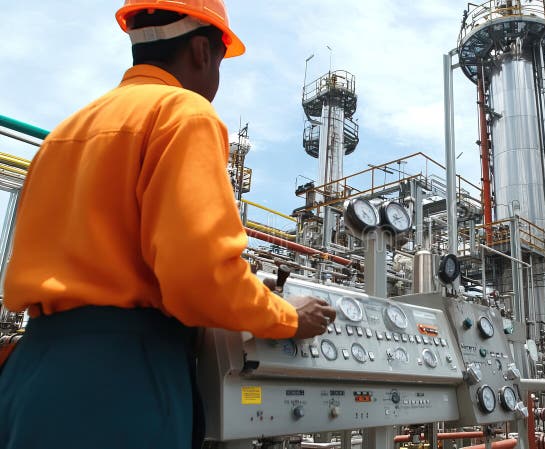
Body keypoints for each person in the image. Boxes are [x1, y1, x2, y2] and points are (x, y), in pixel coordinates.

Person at [0, 1, 336, 448]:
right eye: (220, 61)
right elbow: (200, 277)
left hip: (30, 373)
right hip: (123, 380)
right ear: (202, 51)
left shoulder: (65, 133)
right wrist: (287, 316)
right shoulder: (183, 113)